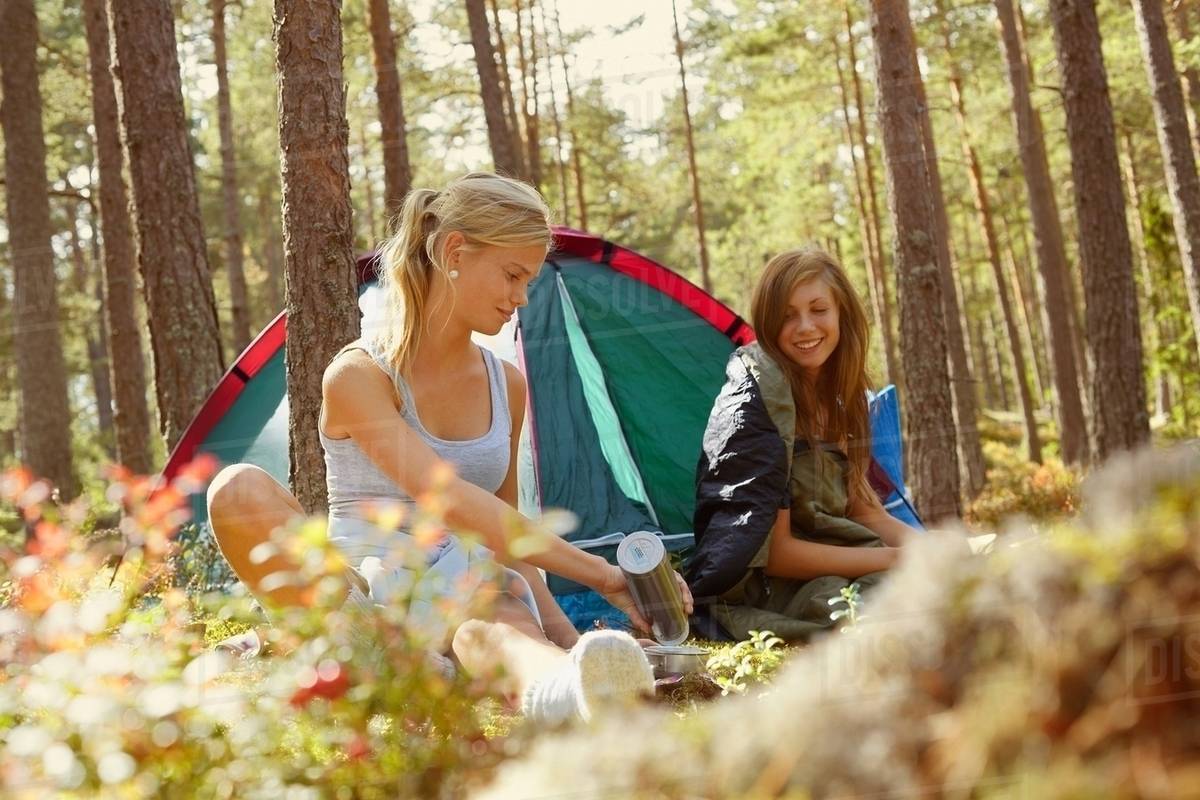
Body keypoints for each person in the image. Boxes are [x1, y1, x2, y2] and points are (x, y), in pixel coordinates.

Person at [206, 172, 692, 724]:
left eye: (529, 280)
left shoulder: (506, 383)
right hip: (363, 595)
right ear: (455, 250)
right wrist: (604, 575)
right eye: (513, 275)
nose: (522, 298)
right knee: (237, 489)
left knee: (487, 611)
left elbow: (504, 532)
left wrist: (570, 643)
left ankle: (559, 688)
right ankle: (381, 658)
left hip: (466, 594)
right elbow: (447, 497)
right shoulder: (360, 376)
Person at [686, 247, 919, 642]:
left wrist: (940, 553)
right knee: (888, 608)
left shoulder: (838, 396)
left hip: (836, 560)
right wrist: (896, 559)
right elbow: (776, 554)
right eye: (787, 315)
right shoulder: (761, 405)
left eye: (818, 309)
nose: (805, 327)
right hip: (770, 589)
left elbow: (867, 514)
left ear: (841, 312)